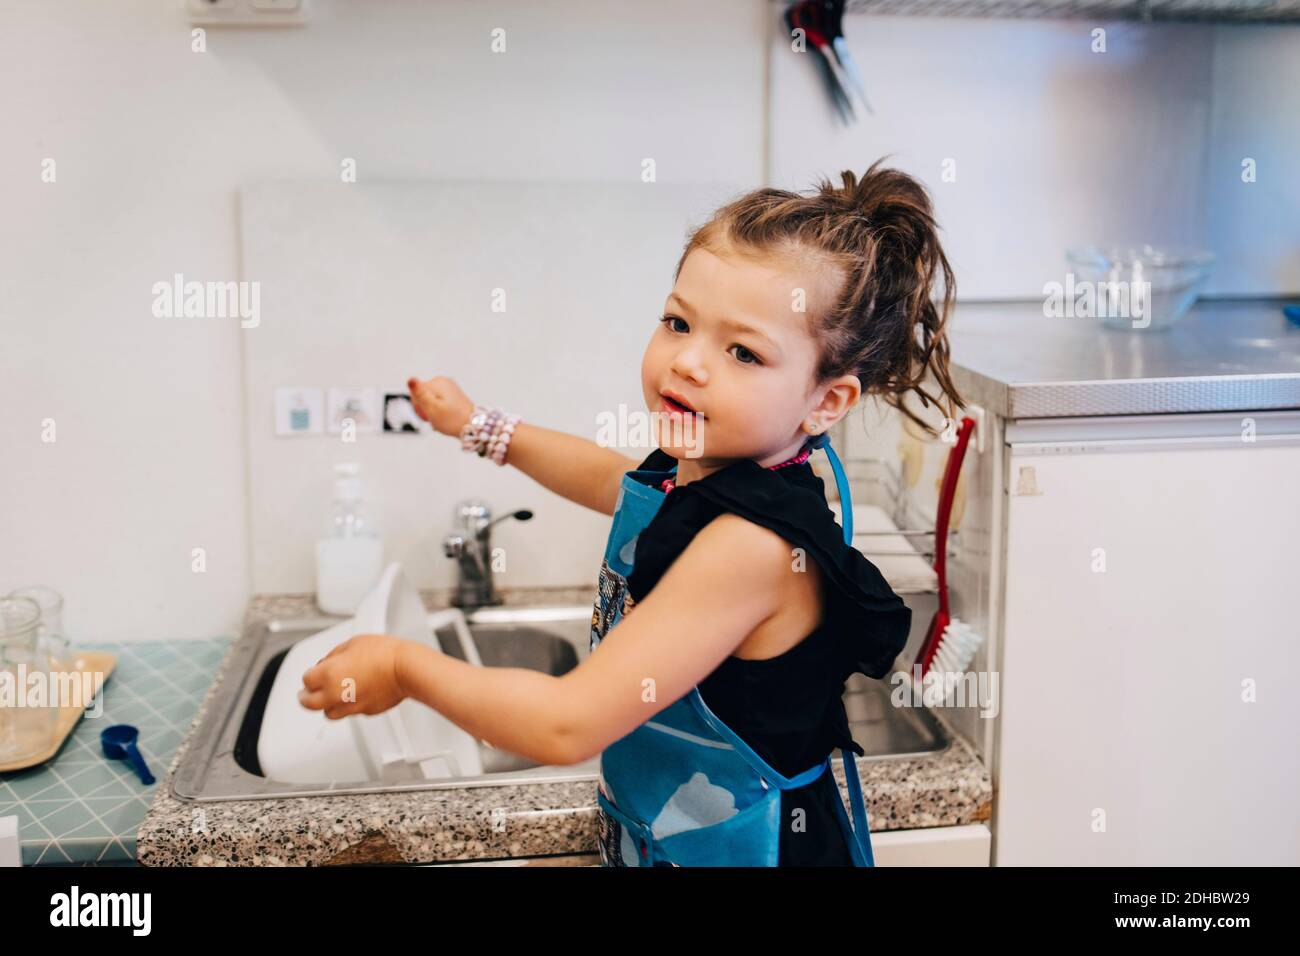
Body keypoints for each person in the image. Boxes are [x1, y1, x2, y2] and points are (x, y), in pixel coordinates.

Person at [298, 158, 966, 866]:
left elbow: (566, 725)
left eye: (743, 352)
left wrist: (404, 669)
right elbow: (603, 474)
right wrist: (477, 425)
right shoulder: (699, 474)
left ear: (826, 401)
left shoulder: (752, 546)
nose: (688, 362)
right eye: (679, 322)